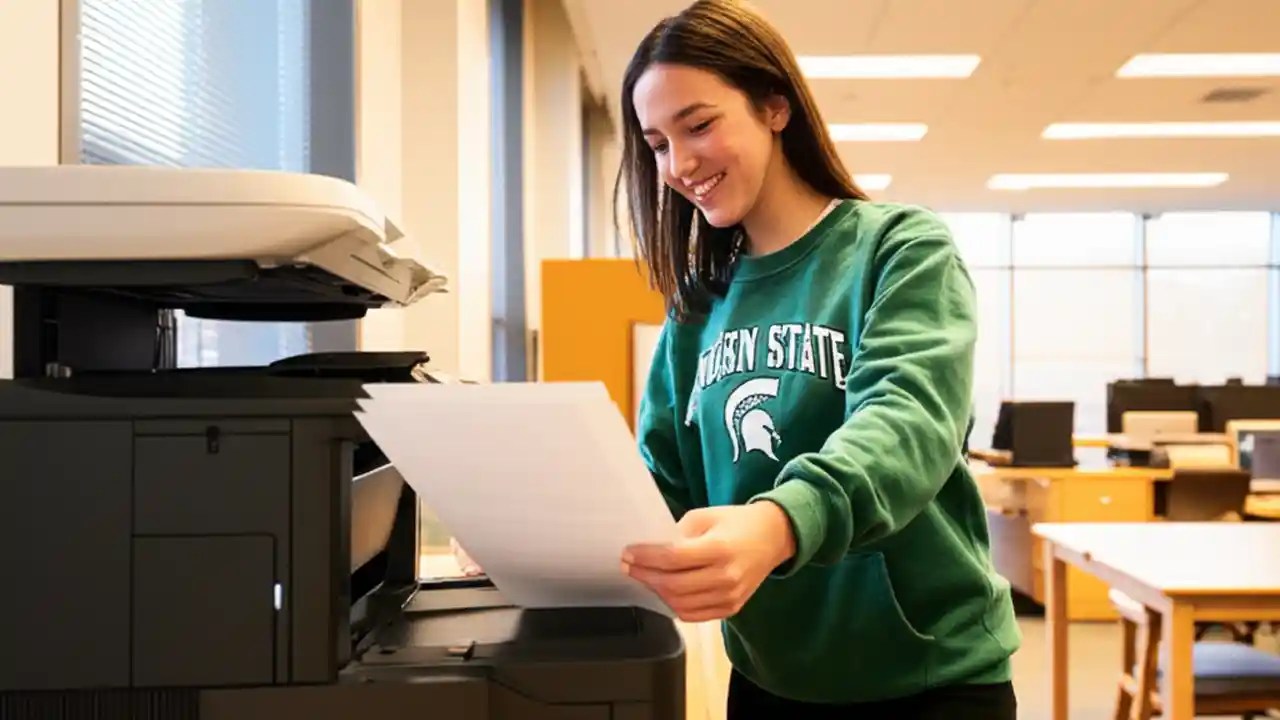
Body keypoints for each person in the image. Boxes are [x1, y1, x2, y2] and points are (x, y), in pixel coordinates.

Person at [614, 1, 1022, 717]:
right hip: (771, 680)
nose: (678, 165)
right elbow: (664, 482)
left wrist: (778, 524)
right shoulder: (699, 304)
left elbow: (909, 422)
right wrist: (538, 537)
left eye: (699, 125)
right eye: (656, 143)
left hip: (930, 679)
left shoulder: (899, 248)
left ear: (775, 106)